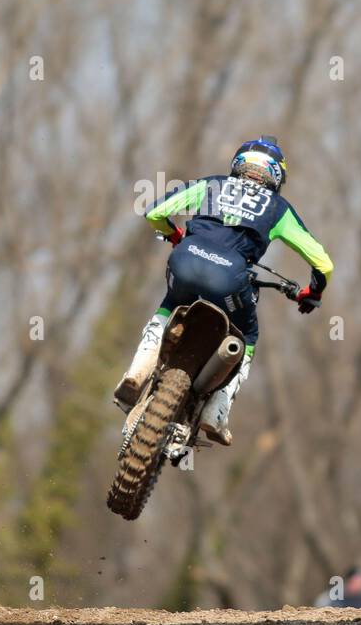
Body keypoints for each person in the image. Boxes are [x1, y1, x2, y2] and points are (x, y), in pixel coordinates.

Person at [114, 137, 333, 446]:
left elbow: (154, 213)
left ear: (238, 165)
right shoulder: (279, 208)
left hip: (185, 262)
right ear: (277, 176)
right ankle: (216, 411)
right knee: (249, 334)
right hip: (229, 279)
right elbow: (323, 264)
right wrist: (312, 293)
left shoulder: (211, 185)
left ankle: (137, 370)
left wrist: (175, 235)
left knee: (171, 303)